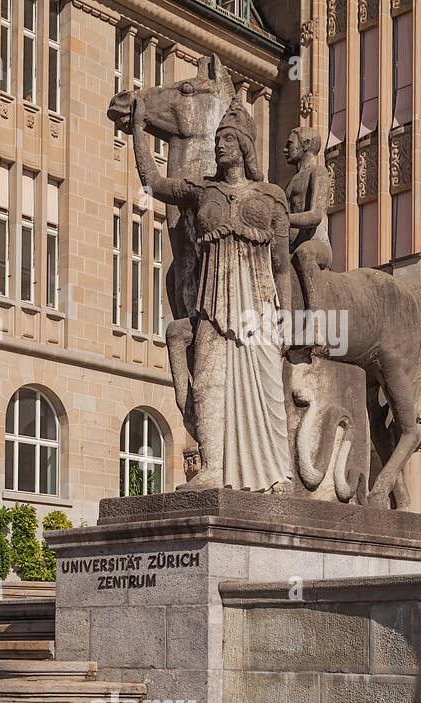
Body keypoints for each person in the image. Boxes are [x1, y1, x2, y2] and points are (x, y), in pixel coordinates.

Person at [131, 95, 293, 493]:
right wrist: (138, 131)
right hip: (214, 303)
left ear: (245, 147)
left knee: (266, 389)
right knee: (207, 382)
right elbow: (154, 184)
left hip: (258, 306)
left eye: (228, 140)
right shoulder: (202, 190)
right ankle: (213, 467)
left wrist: (289, 317)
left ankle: (275, 473)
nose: (220, 146)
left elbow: (281, 265)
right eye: (218, 139)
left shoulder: (272, 197)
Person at [284, 125, 333, 326]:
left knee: (304, 254)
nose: (285, 149)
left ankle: (315, 320)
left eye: (290, 144)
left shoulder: (318, 172)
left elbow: (315, 215)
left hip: (318, 246)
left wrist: (284, 219)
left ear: (305, 145)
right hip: (292, 248)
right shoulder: (292, 181)